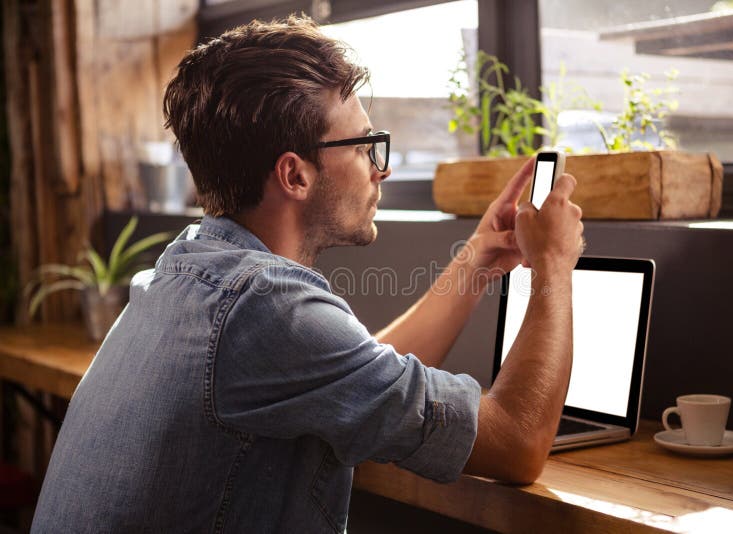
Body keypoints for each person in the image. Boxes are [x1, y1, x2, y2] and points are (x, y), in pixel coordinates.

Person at [32, 15, 583, 533]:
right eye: (365, 144)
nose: (381, 166)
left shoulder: (187, 272)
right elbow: (518, 442)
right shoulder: (265, 307)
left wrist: (478, 260)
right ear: (294, 174)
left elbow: (355, 374)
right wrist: (554, 266)